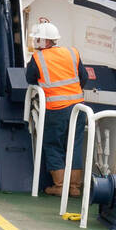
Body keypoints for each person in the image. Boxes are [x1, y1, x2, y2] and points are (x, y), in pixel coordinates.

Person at [25, 20, 91, 195]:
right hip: (78, 107)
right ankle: (75, 188)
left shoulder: (38, 58)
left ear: (44, 41)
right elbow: (83, 78)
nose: (35, 42)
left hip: (56, 109)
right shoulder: (72, 52)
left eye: (37, 39)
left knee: (52, 144)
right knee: (75, 145)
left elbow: (30, 78)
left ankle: (60, 186)